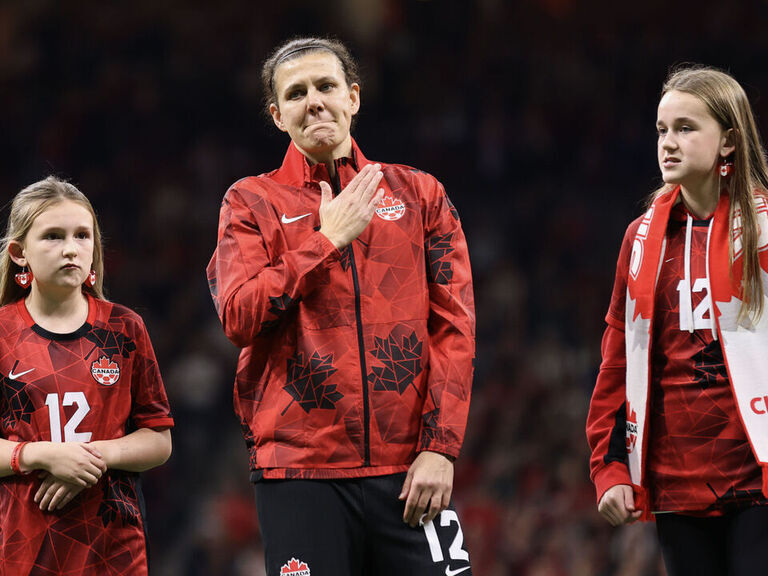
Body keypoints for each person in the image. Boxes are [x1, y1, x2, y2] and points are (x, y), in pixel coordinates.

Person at [207, 37, 475, 576]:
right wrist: (325, 241)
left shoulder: (420, 195)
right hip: (299, 470)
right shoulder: (250, 201)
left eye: (326, 86)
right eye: (296, 93)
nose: (314, 101)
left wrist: (440, 448)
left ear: (352, 97)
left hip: (408, 467)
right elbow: (238, 316)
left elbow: (455, 329)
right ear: (277, 115)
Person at [587, 64, 768, 576]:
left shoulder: (765, 230)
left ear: (728, 141)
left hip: (758, 479)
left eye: (686, 129)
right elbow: (617, 362)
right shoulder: (640, 239)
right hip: (676, 486)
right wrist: (609, 467)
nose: (668, 143)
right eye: (662, 129)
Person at [0, 176, 174, 575]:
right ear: (19, 253)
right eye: (53, 236)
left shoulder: (125, 328)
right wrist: (41, 455)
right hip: (24, 550)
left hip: (114, 549)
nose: (70, 249)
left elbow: (158, 439)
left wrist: (90, 458)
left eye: (82, 235)